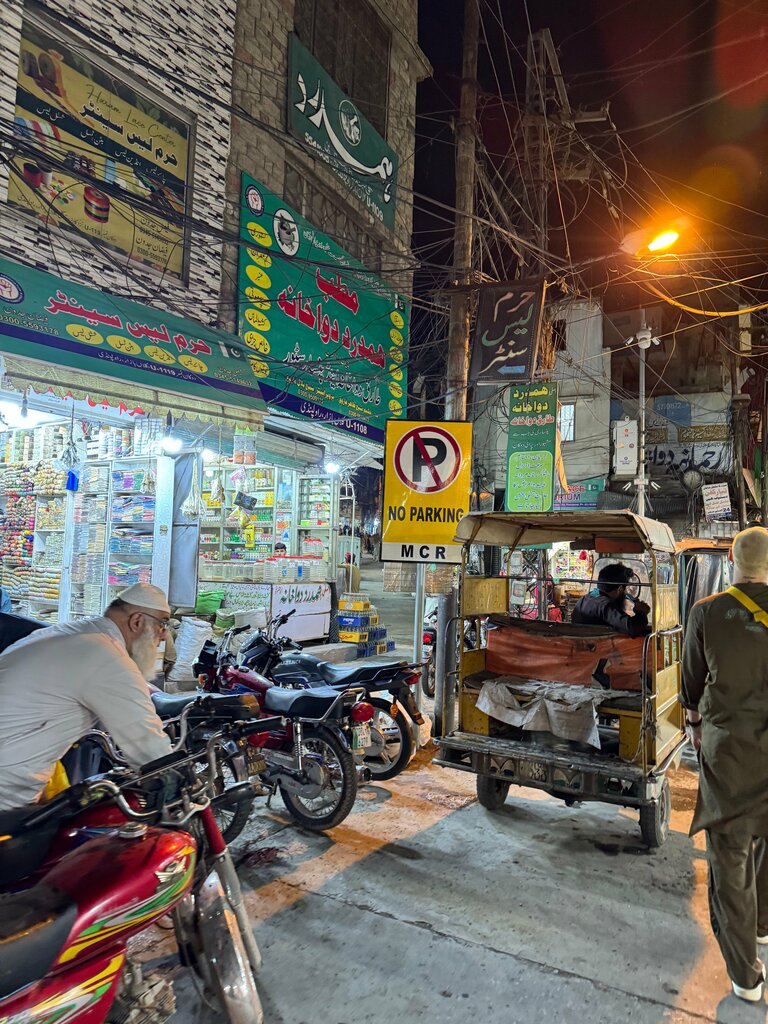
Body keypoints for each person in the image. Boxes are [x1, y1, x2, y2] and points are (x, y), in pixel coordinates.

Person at [681, 526, 768, 1002]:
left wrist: (694, 724)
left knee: (730, 857)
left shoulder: (707, 612)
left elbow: (691, 682)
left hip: (729, 756)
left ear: (732, 559)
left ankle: (746, 975)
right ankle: (762, 927)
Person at [0, 582, 173, 810]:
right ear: (137, 621)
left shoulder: (75, 633)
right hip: (7, 792)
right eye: (162, 625)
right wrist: (175, 777)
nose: (163, 636)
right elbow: (148, 747)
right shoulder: (106, 656)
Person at [571, 563, 651, 637]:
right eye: (625, 589)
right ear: (619, 589)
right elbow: (632, 628)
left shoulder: (583, 600)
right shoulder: (605, 606)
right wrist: (641, 612)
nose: (625, 593)